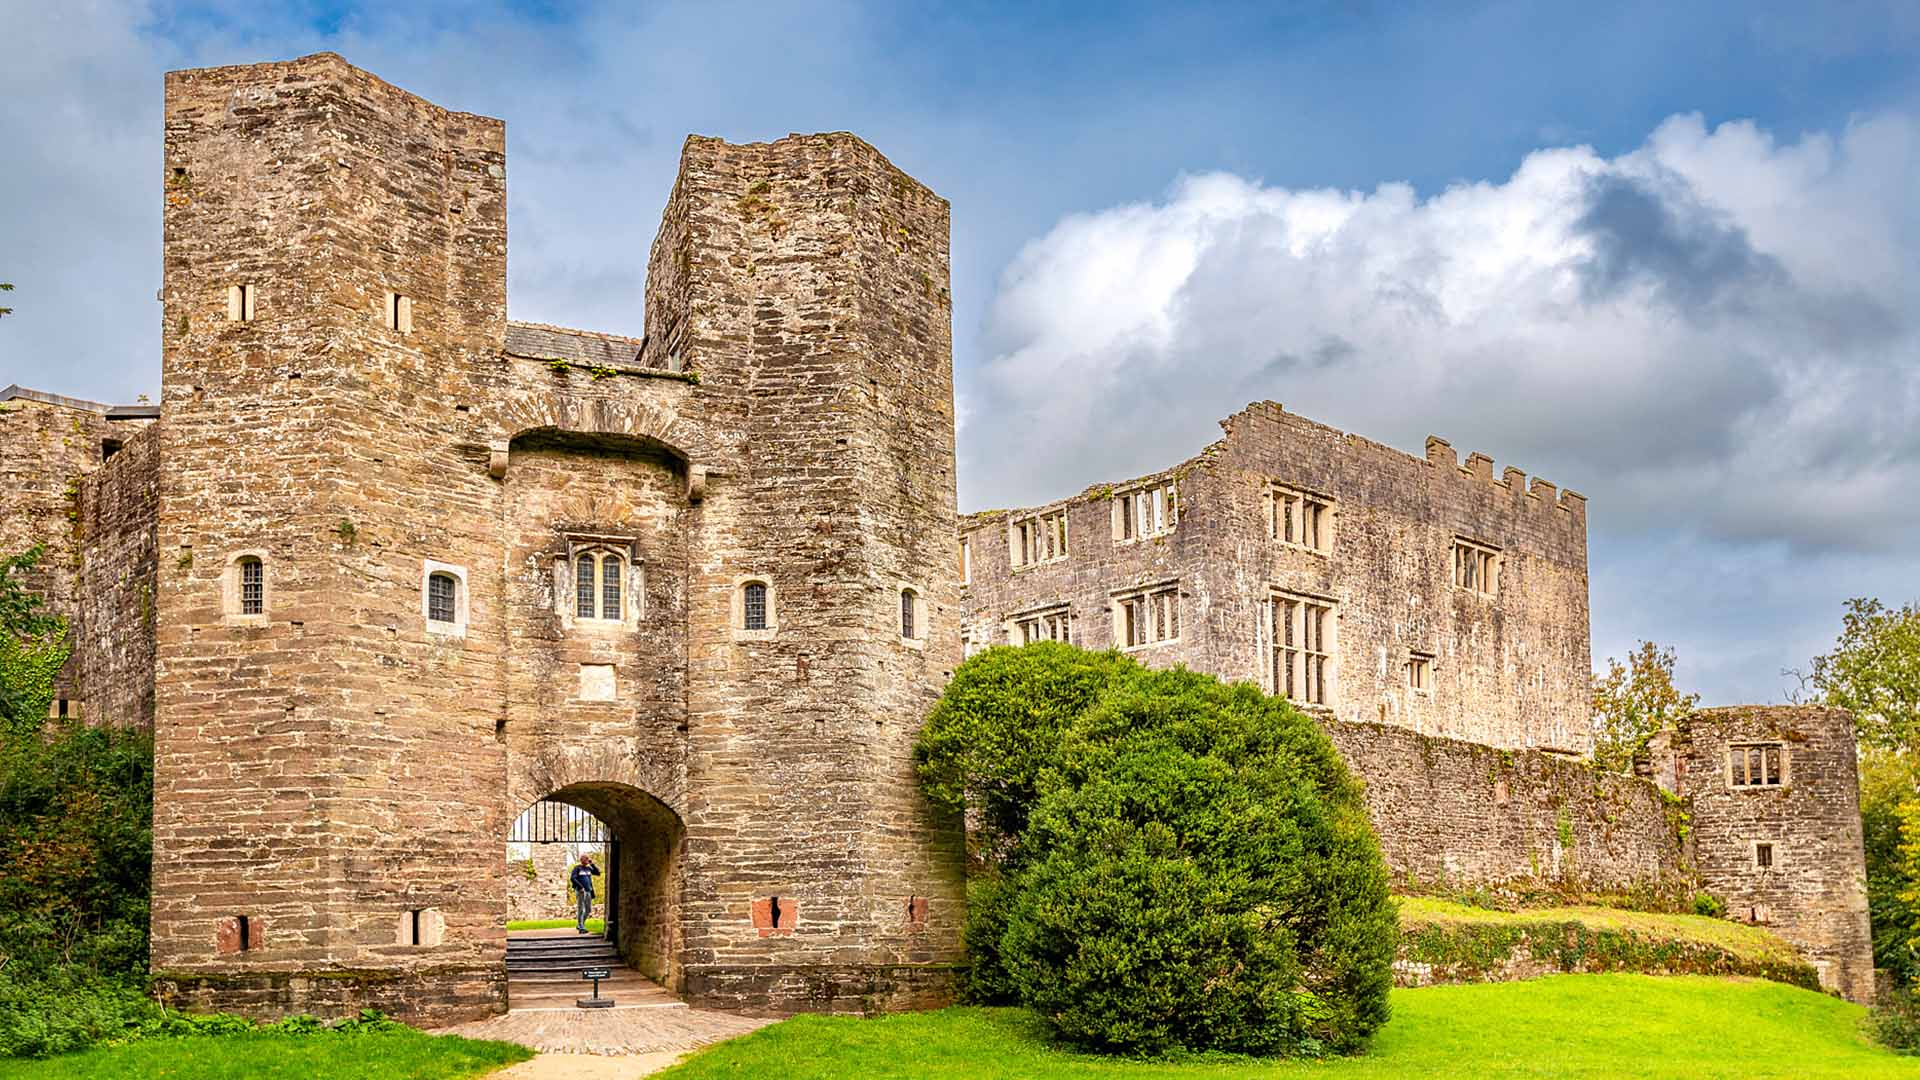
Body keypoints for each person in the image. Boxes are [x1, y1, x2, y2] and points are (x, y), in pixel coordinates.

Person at [569, 853, 601, 934]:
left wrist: (592, 863)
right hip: (581, 891)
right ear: (582, 859)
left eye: (588, 858)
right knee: (581, 908)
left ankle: (580, 924)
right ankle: (581, 927)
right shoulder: (577, 868)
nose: (587, 859)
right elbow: (573, 878)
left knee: (588, 909)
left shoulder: (588, 868)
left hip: (588, 891)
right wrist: (580, 887)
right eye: (586, 858)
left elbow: (598, 873)